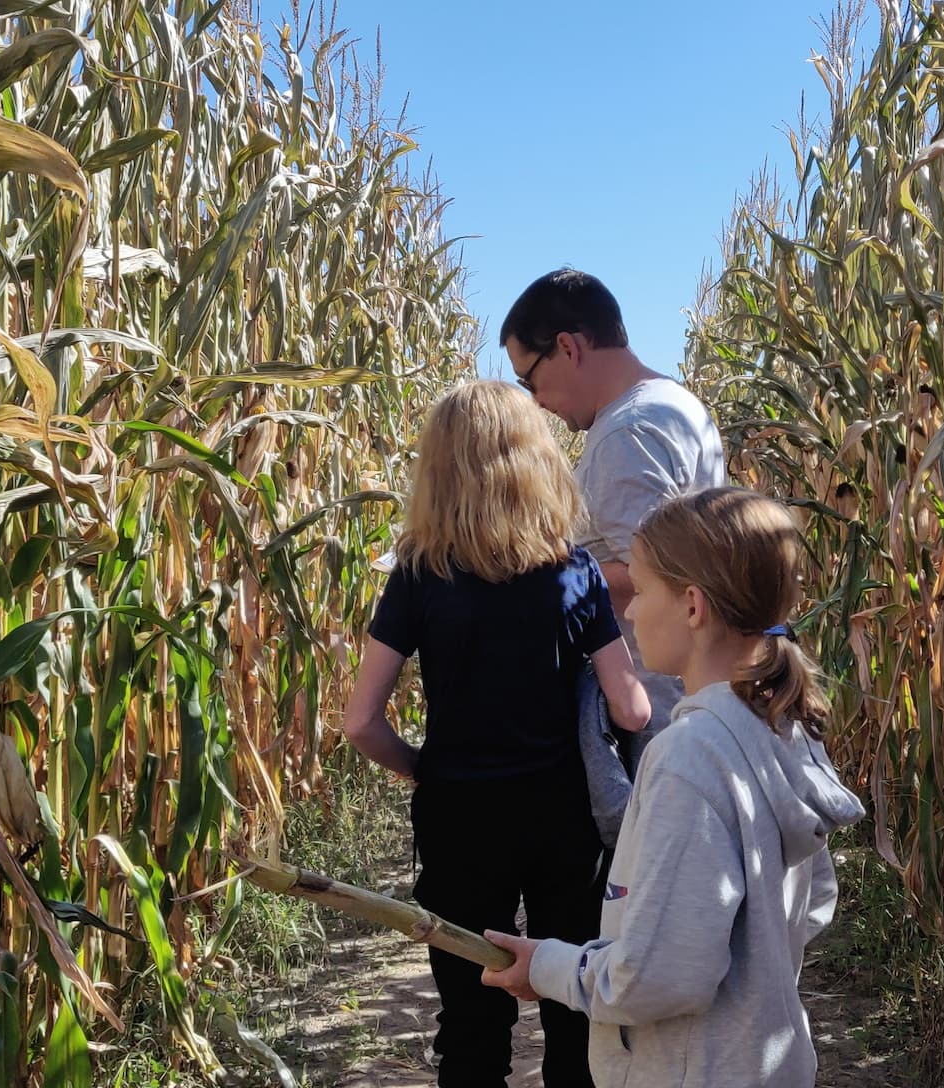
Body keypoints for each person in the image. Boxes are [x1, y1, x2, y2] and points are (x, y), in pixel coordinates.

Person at [478, 487, 866, 1088]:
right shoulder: (784, 727)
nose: (629, 612)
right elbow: (813, 901)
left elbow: (660, 976)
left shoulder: (689, 757)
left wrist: (550, 967)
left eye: (639, 590)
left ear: (692, 606)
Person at [341, 381, 651, 1088]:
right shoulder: (575, 571)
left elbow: (360, 721)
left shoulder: (418, 574)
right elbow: (633, 710)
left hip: (459, 817)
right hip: (563, 819)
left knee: (471, 1024)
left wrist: (422, 766)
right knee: (575, 1007)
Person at [500, 269, 726, 762]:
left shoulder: (626, 435)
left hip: (652, 707)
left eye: (529, 379)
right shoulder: (677, 404)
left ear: (567, 347)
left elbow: (659, 580)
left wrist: (535, 571)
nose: (536, 401)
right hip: (684, 696)